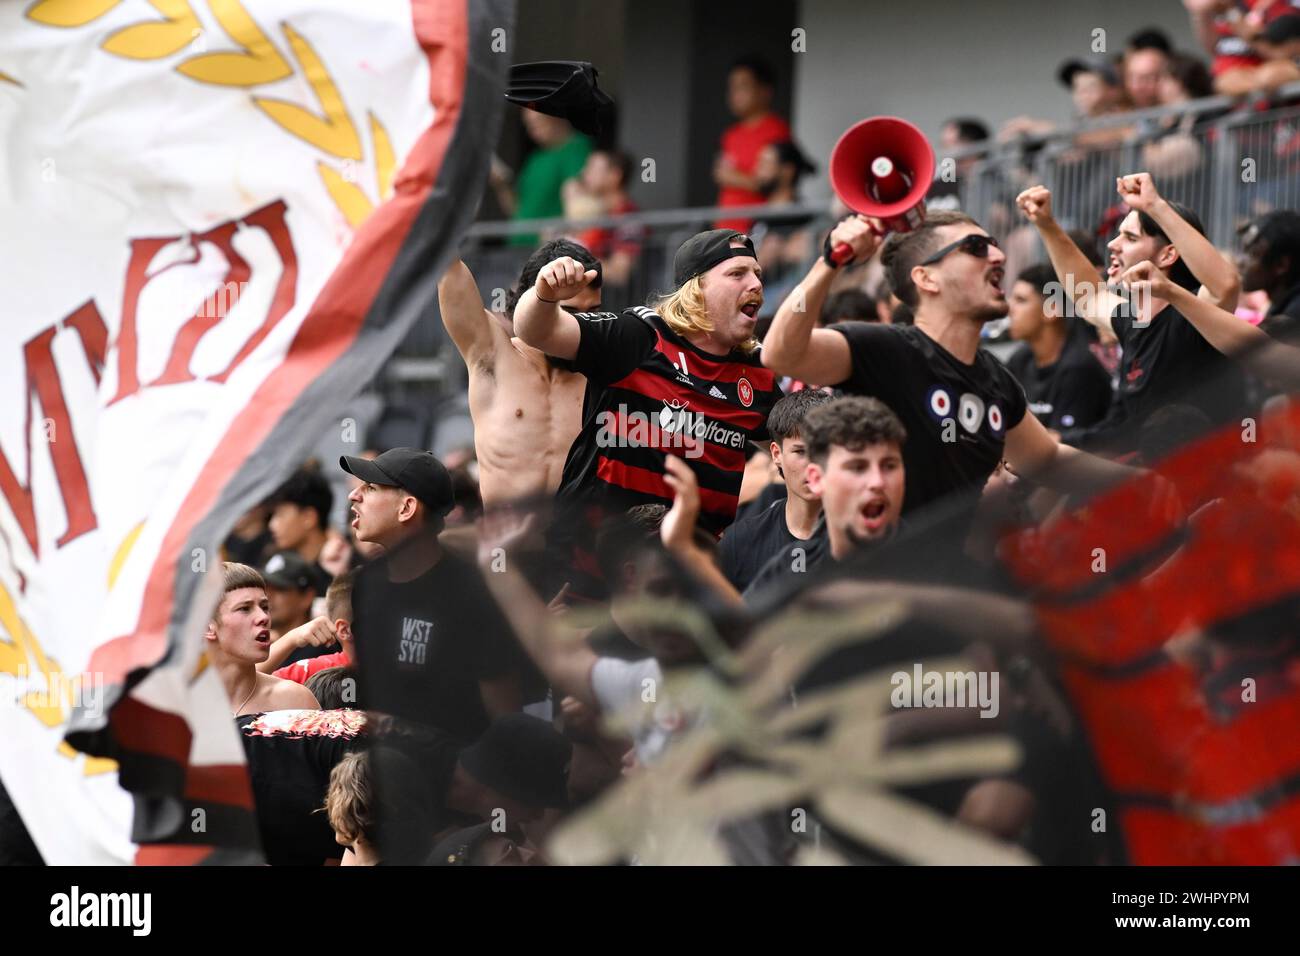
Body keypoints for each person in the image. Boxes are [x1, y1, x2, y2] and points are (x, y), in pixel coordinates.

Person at [761, 212, 1134, 519]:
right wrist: (831, 261)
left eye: (994, 245)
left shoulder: (996, 380)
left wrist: (1152, 483)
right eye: (975, 247)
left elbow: (1047, 459)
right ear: (926, 278)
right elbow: (781, 354)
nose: (998, 256)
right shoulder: (887, 348)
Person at [513, 229, 783, 589]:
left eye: (758, 275)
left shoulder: (757, 375)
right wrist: (544, 295)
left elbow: (796, 456)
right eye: (737, 274)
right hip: (587, 576)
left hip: (687, 584)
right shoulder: (639, 338)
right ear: (695, 290)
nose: (756, 284)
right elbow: (536, 332)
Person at [1016, 173, 1247, 449]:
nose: (1113, 244)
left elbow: (1226, 285)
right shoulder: (1132, 321)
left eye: (1129, 237)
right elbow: (1088, 296)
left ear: (1167, 255)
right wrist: (1047, 225)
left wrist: (1156, 206)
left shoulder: (1199, 312)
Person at [343, 448, 528, 741]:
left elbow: (507, 722)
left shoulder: (472, 595)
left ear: (406, 508)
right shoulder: (366, 583)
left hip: (456, 772)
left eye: (371, 488)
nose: (354, 496)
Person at [437, 240, 601, 507]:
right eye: (569, 312)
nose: (580, 326)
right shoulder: (491, 357)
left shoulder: (607, 370)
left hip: (584, 546)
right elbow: (446, 263)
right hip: (506, 546)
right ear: (532, 302)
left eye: (592, 313)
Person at [742, 396, 907, 602]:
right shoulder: (786, 571)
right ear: (817, 479)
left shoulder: (932, 554)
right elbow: (734, 629)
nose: (877, 482)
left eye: (889, 465)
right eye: (857, 467)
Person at [718, 389, 830, 591]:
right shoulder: (739, 543)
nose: (813, 464)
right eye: (800, 451)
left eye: (822, 450)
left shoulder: (871, 537)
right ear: (777, 454)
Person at [1004, 263, 1113, 436]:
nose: (1009, 309)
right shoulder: (1019, 361)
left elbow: (1058, 448)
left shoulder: (1080, 369)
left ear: (1051, 309)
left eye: (1021, 300)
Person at [205, 562, 319, 717]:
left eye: (265, 607)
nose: (263, 617)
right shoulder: (175, 704)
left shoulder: (294, 701)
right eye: (245, 608)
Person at [492, 108, 592, 246]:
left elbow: (579, 201)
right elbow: (517, 209)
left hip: (548, 248)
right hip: (518, 245)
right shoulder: (535, 158)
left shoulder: (576, 148)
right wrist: (501, 184)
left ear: (557, 117)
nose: (532, 130)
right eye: (528, 125)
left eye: (537, 122)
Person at [713, 57, 791, 231]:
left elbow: (776, 183)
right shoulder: (731, 134)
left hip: (757, 230)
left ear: (765, 91)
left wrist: (733, 177)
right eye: (732, 88)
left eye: (743, 87)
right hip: (726, 226)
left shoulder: (775, 129)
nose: (735, 95)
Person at [565, 149, 642, 290]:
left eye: (592, 168)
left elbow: (620, 273)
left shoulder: (627, 216)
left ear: (615, 176)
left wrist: (574, 261)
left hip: (607, 303)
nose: (584, 173)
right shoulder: (592, 213)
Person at [265, 570, 356, 683]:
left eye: (280, 589)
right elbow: (242, 687)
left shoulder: (323, 650)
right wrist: (291, 638)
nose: (267, 597)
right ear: (345, 630)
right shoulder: (314, 670)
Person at [265, 465, 334, 594]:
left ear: (309, 517)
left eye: (280, 514)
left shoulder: (340, 572)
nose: (272, 525)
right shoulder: (273, 562)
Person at [1241, 210, 1300, 341]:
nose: (1240, 262)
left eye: (1252, 254)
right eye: (1243, 251)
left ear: (1281, 265)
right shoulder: (1281, 305)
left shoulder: (1293, 319)